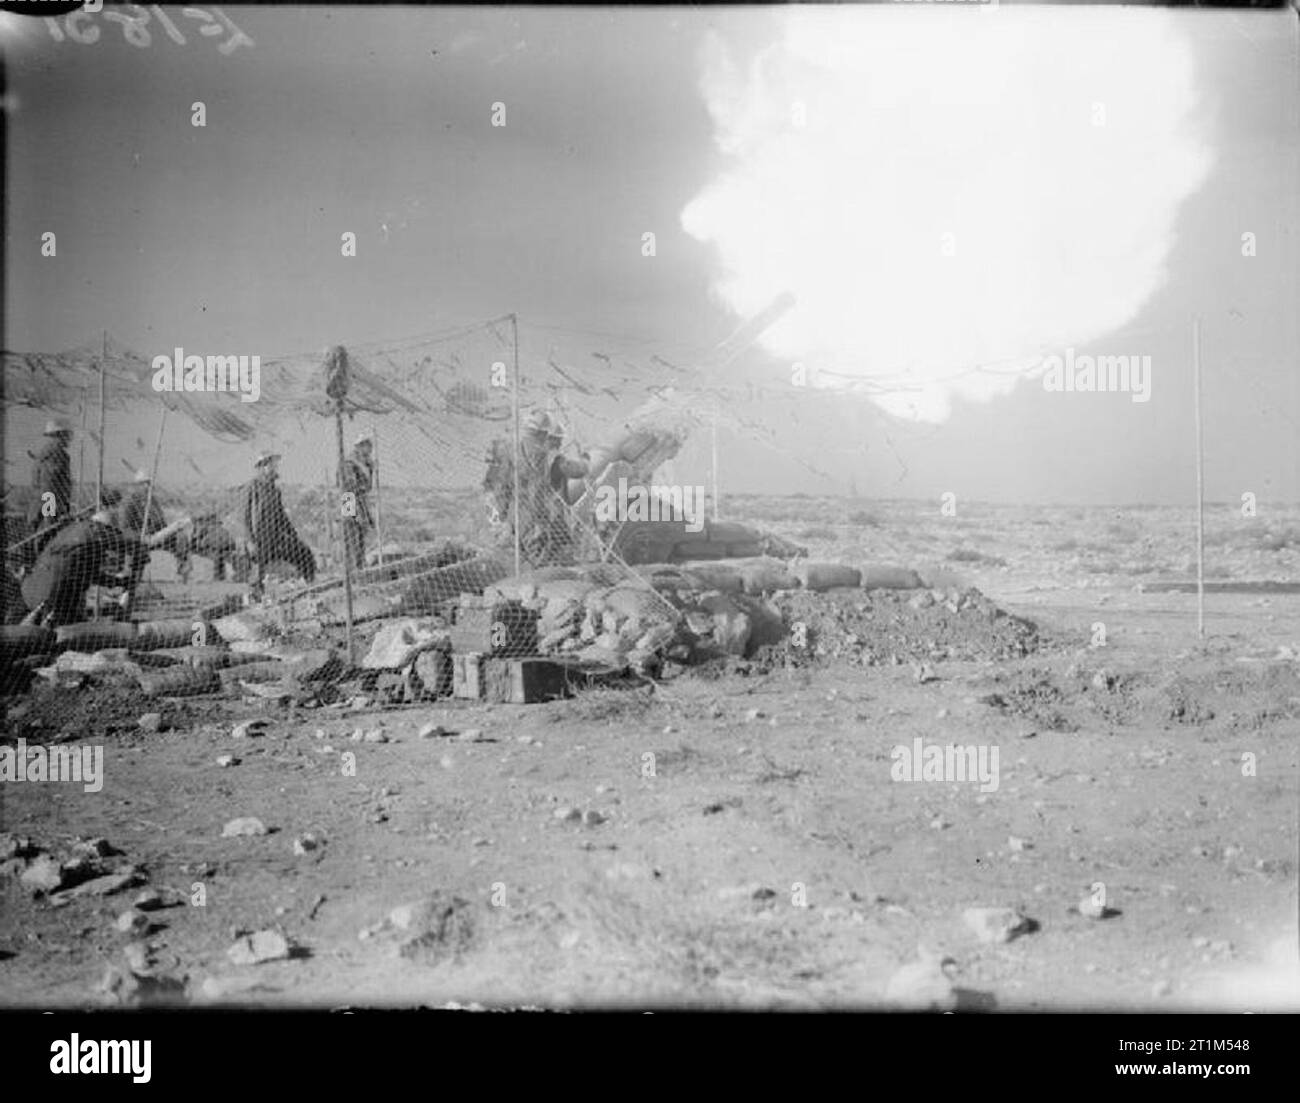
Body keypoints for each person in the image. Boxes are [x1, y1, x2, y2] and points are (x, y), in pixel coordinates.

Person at [20, 510, 148, 627]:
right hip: (54, 596)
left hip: (31, 590)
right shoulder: (94, 532)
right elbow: (93, 575)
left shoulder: (71, 531)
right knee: (59, 629)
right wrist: (139, 550)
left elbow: (88, 574)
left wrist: (118, 581)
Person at [238, 453, 316, 595]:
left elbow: (281, 516)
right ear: (262, 467)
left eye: (274, 464)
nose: (274, 467)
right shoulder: (252, 487)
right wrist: (249, 541)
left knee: (304, 553)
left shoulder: (274, 490)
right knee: (258, 573)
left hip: (275, 537)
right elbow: (244, 517)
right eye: (270, 464)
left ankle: (309, 585)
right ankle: (257, 597)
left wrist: (293, 535)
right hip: (258, 538)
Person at [518, 411, 590, 565]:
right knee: (555, 551)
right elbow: (579, 470)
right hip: (550, 514)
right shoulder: (552, 459)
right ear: (545, 435)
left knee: (533, 552)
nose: (559, 444)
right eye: (558, 441)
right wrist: (585, 459)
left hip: (525, 513)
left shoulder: (517, 453)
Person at [116, 470, 192, 583]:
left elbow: (160, 521)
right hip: (138, 538)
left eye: (149, 483)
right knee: (134, 552)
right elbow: (124, 528)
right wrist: (141, 536)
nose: (147, 486)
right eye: (143, 483)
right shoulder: (129, 502)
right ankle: (129, 577)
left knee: (180, 538)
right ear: (136, 485)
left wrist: (168, 531)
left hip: (156, 535)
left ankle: (183, 574)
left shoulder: (152, 501)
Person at [25, 419, 74, 565]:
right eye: (67, 434)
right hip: (49, 506)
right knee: (46, 540)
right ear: (60, 434)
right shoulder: (57, 454)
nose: (69, 438)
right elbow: (49, 487)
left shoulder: (44, 454)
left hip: (40, 505)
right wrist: (53, 514)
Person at [339, 434, 375, 571]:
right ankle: (353, 568)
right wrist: (357, 512)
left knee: (361, 533)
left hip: (358, 499)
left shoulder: (364, 463)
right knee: (352, 531)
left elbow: (368, 486)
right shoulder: (350, 463)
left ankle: (359, 566)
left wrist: (370, 469)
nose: (370, 449)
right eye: (367, 446)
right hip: (349, 498)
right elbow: (350, 487)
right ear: (360, 447)